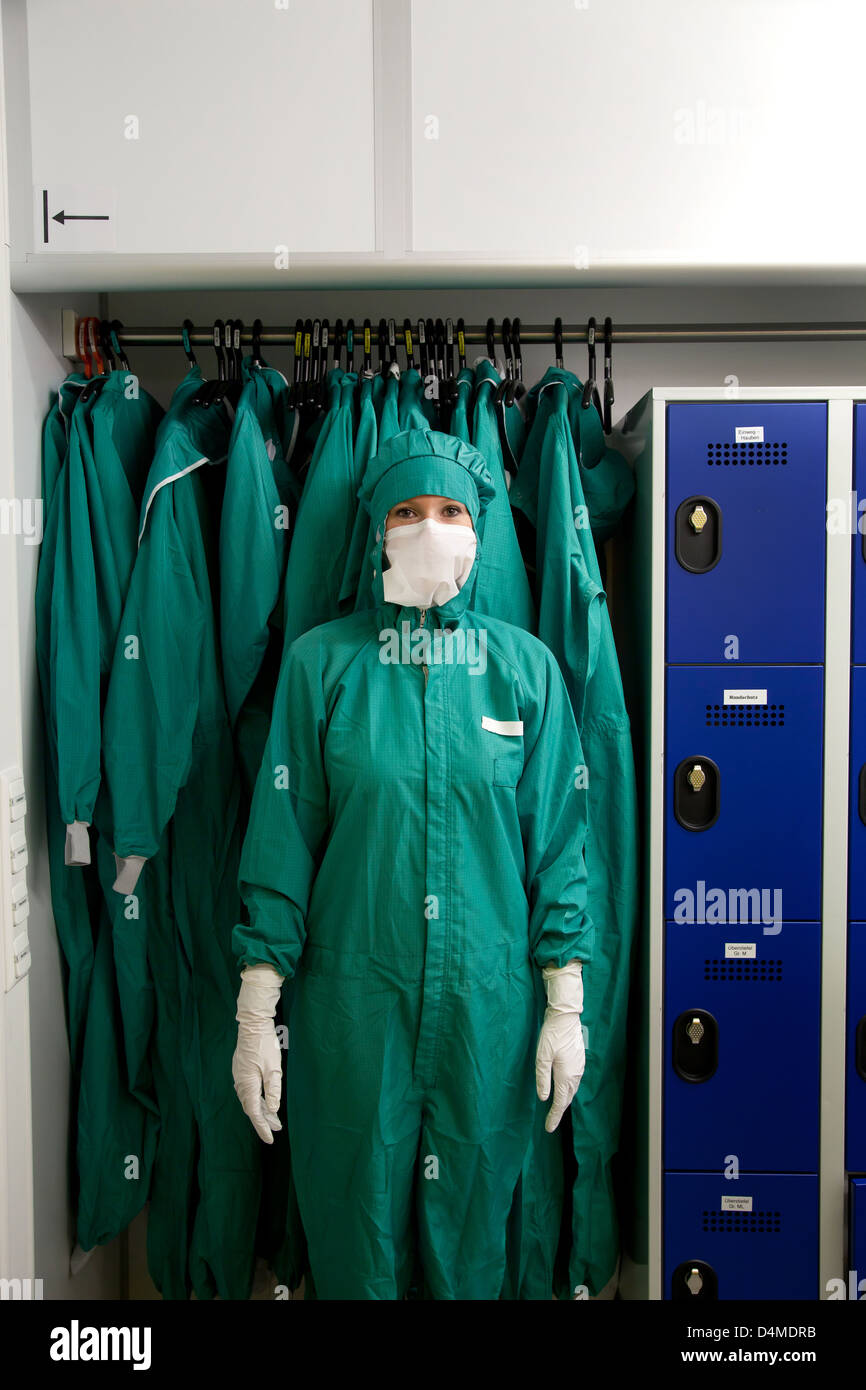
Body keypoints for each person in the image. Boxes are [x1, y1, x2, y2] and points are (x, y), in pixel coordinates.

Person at [231, 429, 593, 1300]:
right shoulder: (324, 664)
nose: (429, 528)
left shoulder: (525, 673)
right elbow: (284, 839)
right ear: (375, 530)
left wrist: (564, 1006)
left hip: (487, 1017)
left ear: (479, 532)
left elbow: (561, 850)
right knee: (356, 1239)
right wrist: (255, 1010)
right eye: (406, 511)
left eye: (449, 512)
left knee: (471, 1247)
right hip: (355, 1015)